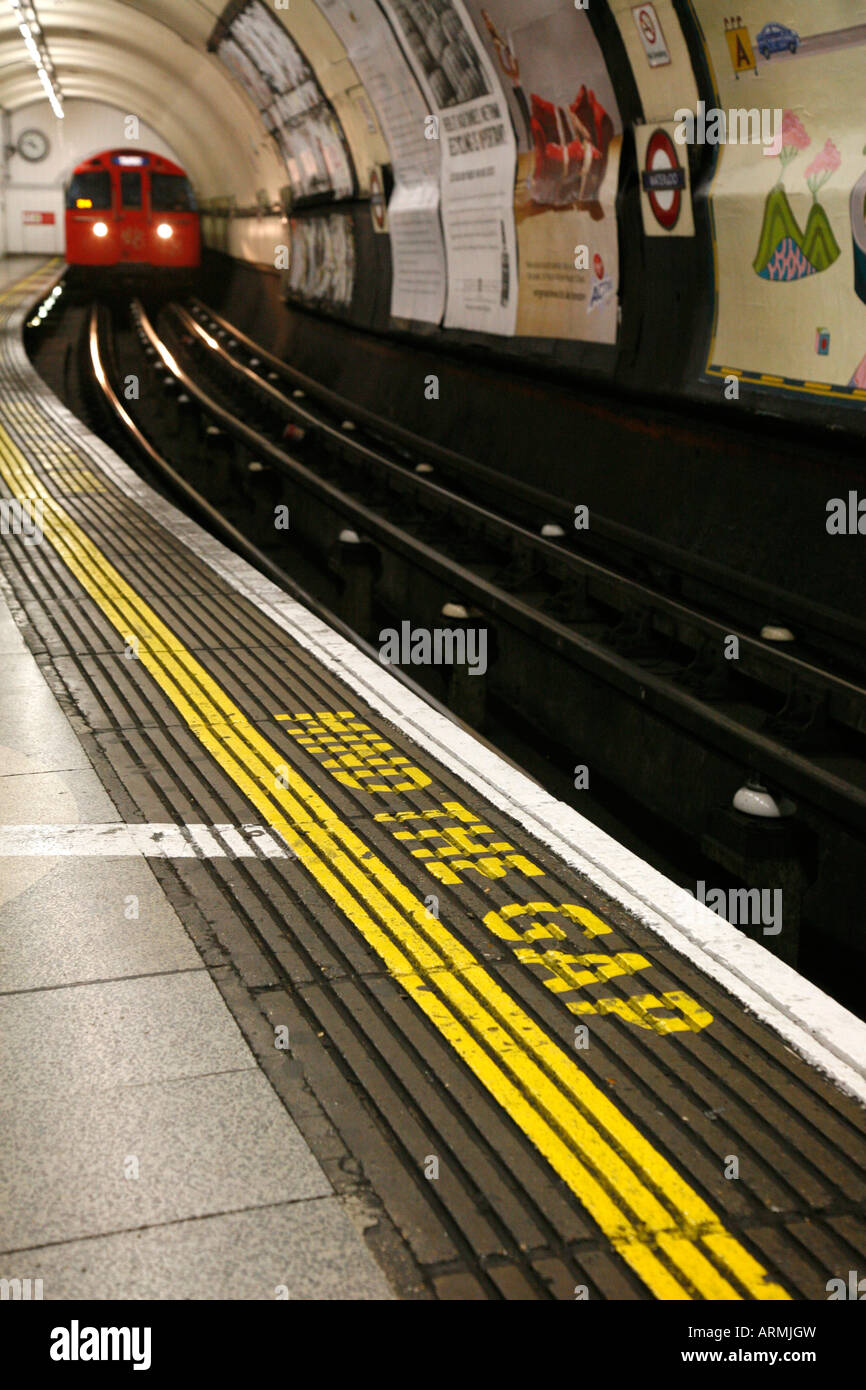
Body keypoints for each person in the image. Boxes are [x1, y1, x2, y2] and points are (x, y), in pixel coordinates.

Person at [480, 8, 532, 147]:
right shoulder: (501, 50)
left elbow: (510, 65)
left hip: (514, 84)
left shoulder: (503, 50)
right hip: (512, 85)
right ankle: (524, 136)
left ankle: (528, 135)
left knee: (522, 111)